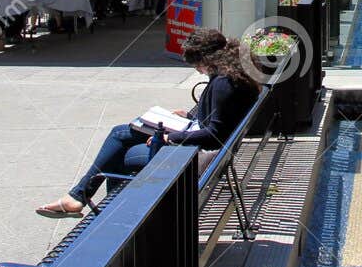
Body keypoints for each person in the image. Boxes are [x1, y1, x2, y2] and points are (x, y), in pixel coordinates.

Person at [35, 29, 259, 217]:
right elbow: (219, 121)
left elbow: (214, 134)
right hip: (207, 148)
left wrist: (170, 137)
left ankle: (99, 208)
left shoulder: (223, 83)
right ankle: (84, 199)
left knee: (122, 153)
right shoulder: (231, 75)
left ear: (206, 60)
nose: (197, 70)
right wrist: (188, 118)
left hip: (198, 156)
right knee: (121, 133)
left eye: (197, 65)